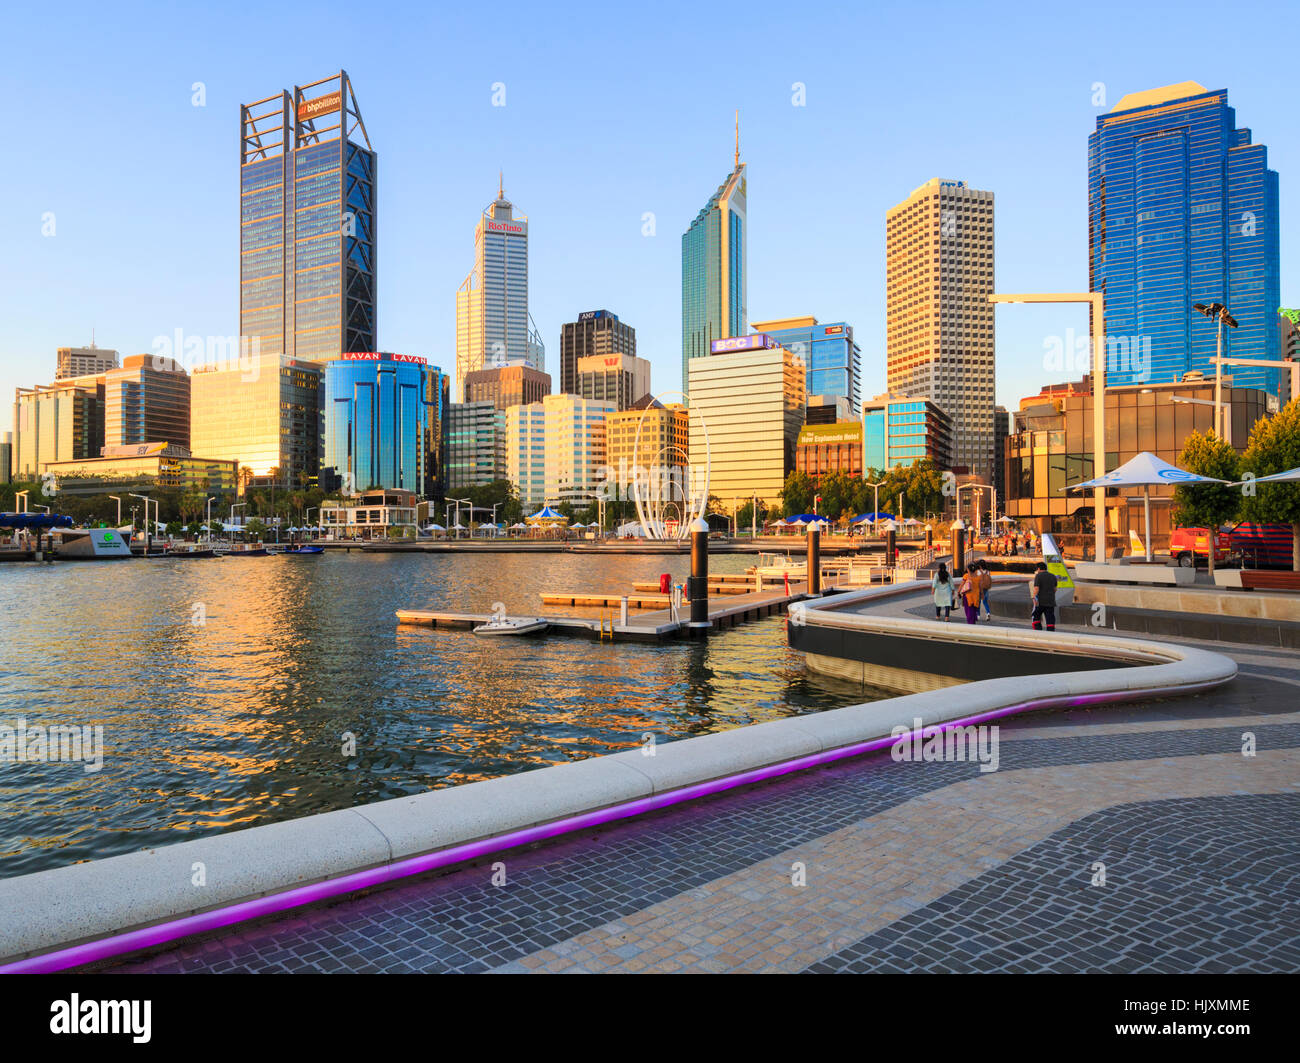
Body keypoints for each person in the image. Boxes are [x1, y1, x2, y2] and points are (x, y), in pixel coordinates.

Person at [1031, 561, 1058, 632]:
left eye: (1037, 569)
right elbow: (1055, 589)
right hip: (1051, 601)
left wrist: (1034, 597)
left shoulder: (1038, 576)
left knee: (1035, 616)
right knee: (1050, 618)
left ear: (1039, 568)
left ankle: (1038, 631)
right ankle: (1050, 633)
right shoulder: (1053, 576)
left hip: (1040, 601)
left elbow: (1036, 588)